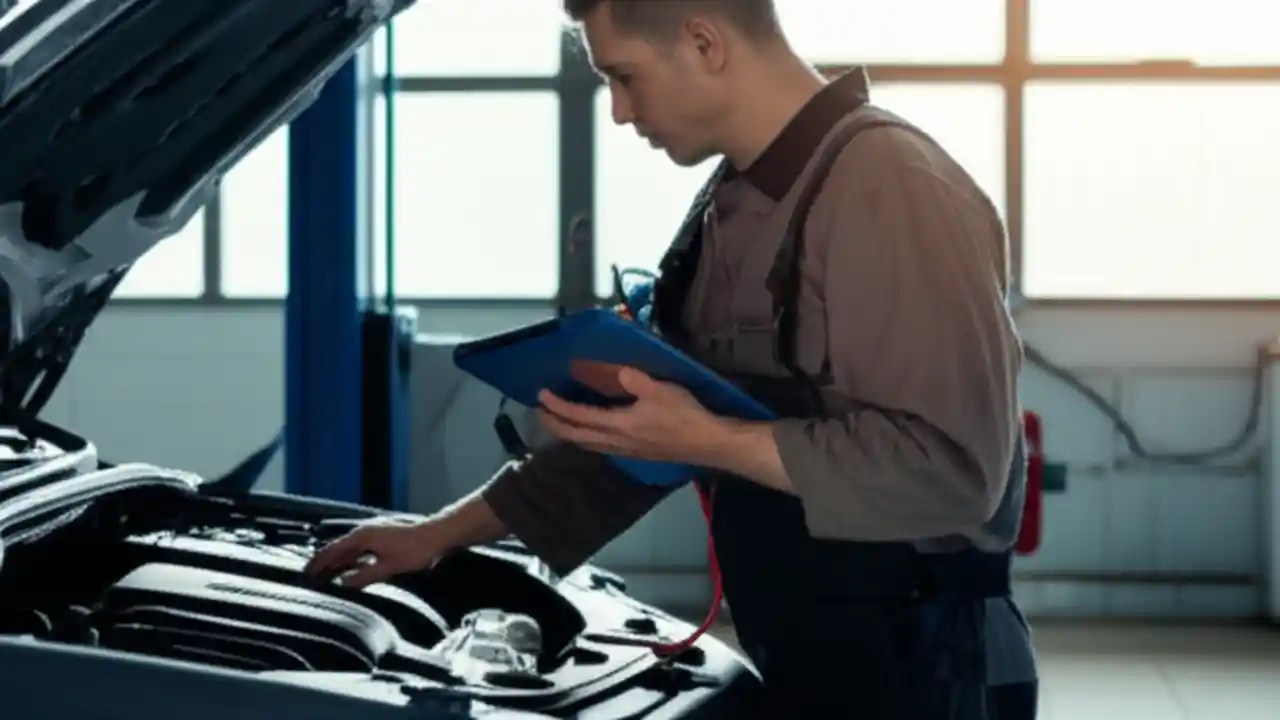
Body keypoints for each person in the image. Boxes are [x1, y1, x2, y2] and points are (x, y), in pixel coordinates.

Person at [305, 1, 1037, 717]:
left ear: (703, 43)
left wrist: (709, 440)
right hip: (811, 654)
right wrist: (434, 535)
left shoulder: (890, 183)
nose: (619, 111)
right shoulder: (729, 209)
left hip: (931, 668)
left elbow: (949, 473)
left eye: (623, 76)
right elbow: (635, 443)